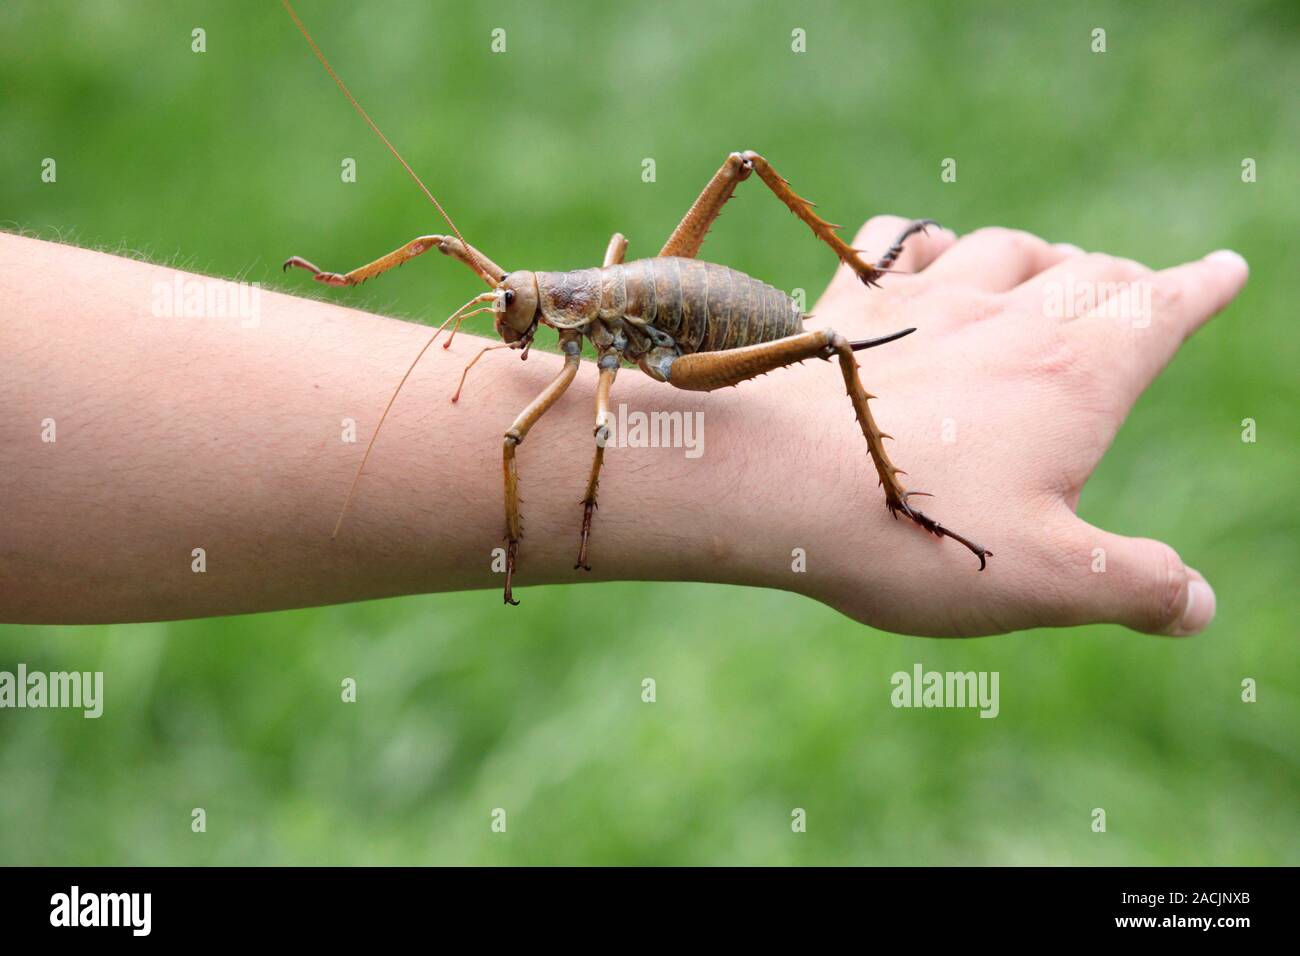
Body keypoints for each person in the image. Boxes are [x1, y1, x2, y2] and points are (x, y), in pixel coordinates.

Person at [0, 224, 1247, 635]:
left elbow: (558, 436)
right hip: (645, 315)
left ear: (555, 313)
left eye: (519, 312)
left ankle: (893, 467)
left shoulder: (591, 350)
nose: (510, 321)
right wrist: (348, 293)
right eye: (514, 312)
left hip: (699, 337)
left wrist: (579, 508)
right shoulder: (549, 310)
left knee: (813, 339)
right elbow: (456, 255)